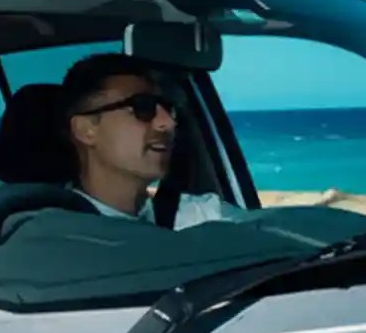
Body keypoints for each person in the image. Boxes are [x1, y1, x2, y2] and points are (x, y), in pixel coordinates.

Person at [59, 52, 242, 230]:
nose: (168, 123)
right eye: (143, 107)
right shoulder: (53, 236)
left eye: (168, 108)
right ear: (86, 130)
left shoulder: (198, 218)